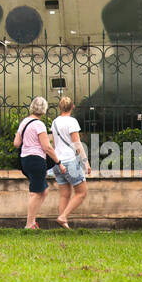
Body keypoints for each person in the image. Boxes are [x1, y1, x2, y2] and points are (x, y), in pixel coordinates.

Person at [13, 95, 60, 229]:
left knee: (43, 190)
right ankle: (29, 225)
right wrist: (59, 162)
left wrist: (28, 141)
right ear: (44, 110)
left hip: (25, 160)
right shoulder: (39, 125)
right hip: (36, 160)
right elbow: (47, 147)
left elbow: (16, 143)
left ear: (32, 107)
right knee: (35, 192)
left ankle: (32, 222)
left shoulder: (24, 122)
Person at [50, 96, 91, 228]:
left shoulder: (54, 122)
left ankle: (63, 225)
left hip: (58, 162)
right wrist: (86, 163)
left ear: (60, 108)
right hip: (70, 161)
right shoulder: (72, 122)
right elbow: (77, 144)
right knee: (81, 192)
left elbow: (55, 144)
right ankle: (63, 217)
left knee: (64, 195)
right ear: (72, 107)